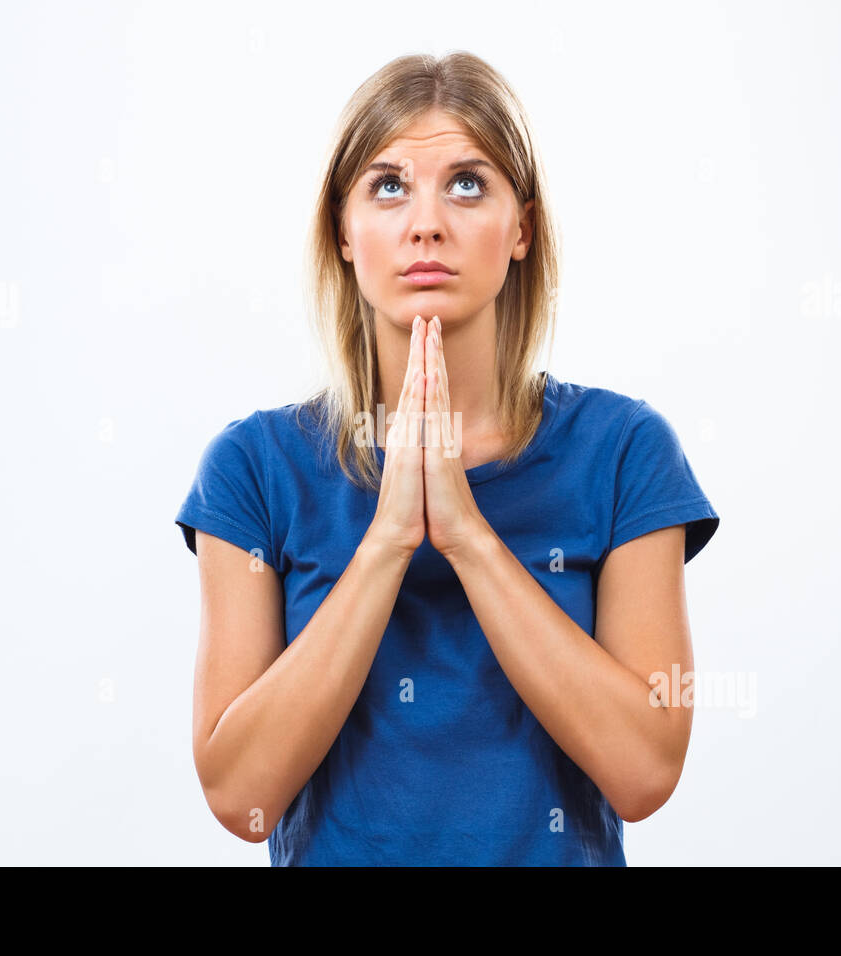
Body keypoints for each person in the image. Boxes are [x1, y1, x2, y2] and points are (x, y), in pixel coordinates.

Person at [173, 51, 719, 866]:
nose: (426, 222)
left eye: (468, 183)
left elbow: (643, 774)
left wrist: (464, 533)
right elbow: (241, 798)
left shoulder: (625, 451)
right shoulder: (254, 468)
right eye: (387, 185)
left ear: (523, 228)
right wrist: (391, 537)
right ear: (344, 233)